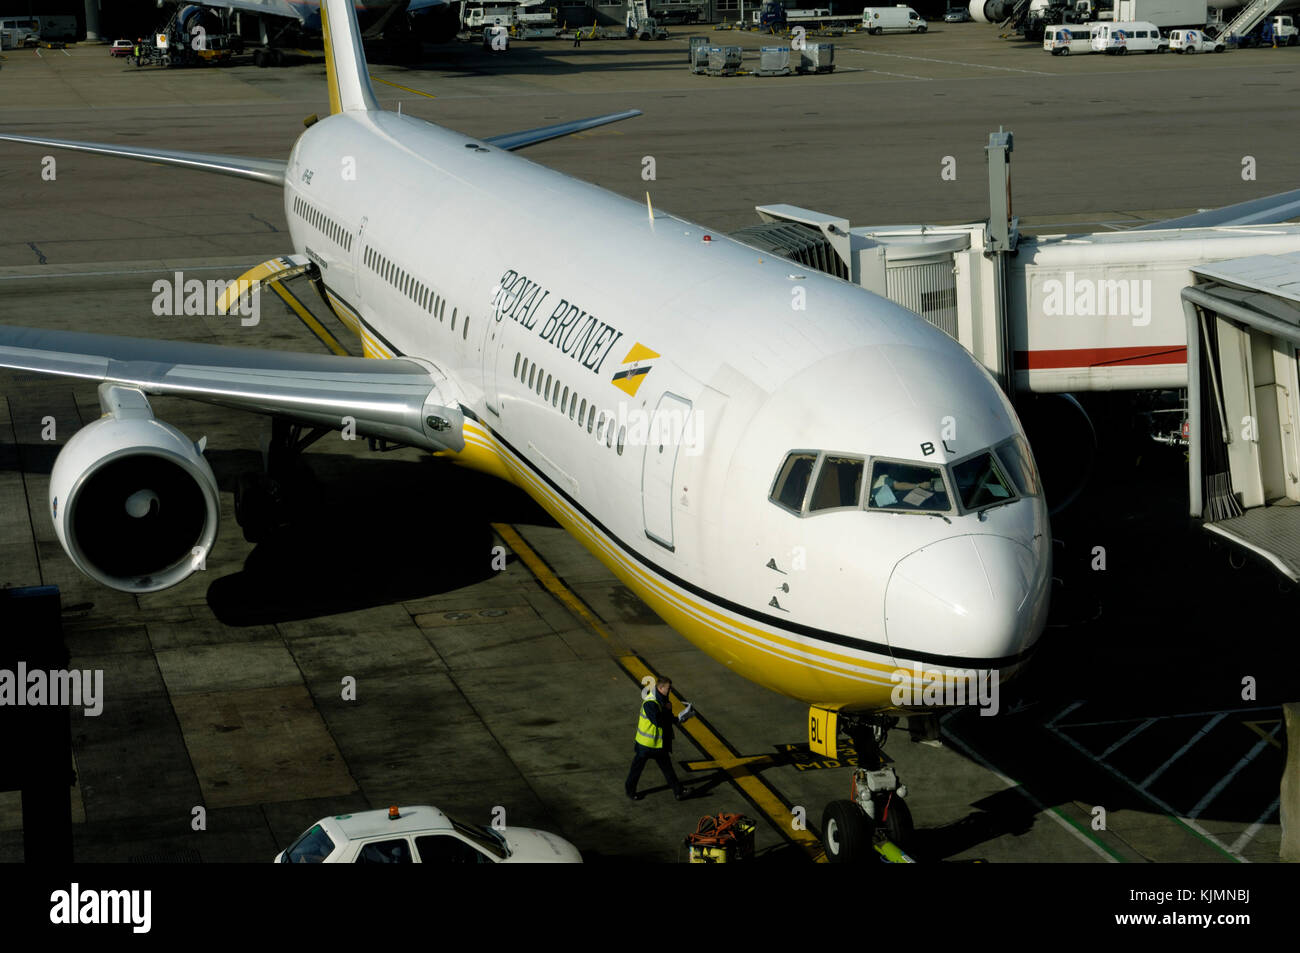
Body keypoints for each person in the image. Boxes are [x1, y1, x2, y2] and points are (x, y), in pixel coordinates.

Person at [626, 678, 693, 801]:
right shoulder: (650, 703)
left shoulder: (662, 699)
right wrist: (669, 712)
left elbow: (666, 719)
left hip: (658, 744)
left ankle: (678, 792)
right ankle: (630, 791)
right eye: (668, 688)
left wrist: (679, 719)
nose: (670, 691)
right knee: (636, 770)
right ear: (660, 688)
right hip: (646, 745)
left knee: (667, 768)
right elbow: (659, 721)